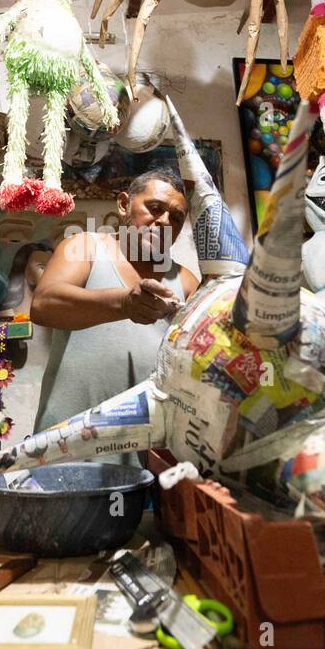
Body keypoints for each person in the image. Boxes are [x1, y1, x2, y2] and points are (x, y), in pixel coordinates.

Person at [31, 168, 200, 462]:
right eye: (155, 208)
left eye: (176, 218)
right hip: (67, 446)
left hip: (144, 456)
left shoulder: (184, 281)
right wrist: (124, 303)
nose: (163, 222)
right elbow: (44, 305)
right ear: (124, 204)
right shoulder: (85, 247)